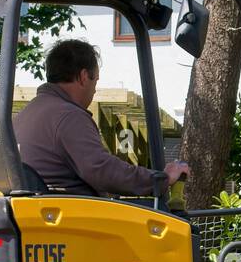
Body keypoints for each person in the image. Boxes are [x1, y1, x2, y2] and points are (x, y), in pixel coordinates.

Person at [14, 39, 189, 197]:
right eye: (95, 81)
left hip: (47, 209)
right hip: (72, 216)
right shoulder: (69, 116)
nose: (95, 90)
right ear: (83, 77)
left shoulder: (26, 113)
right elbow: (101, 170)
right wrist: (160, 179)